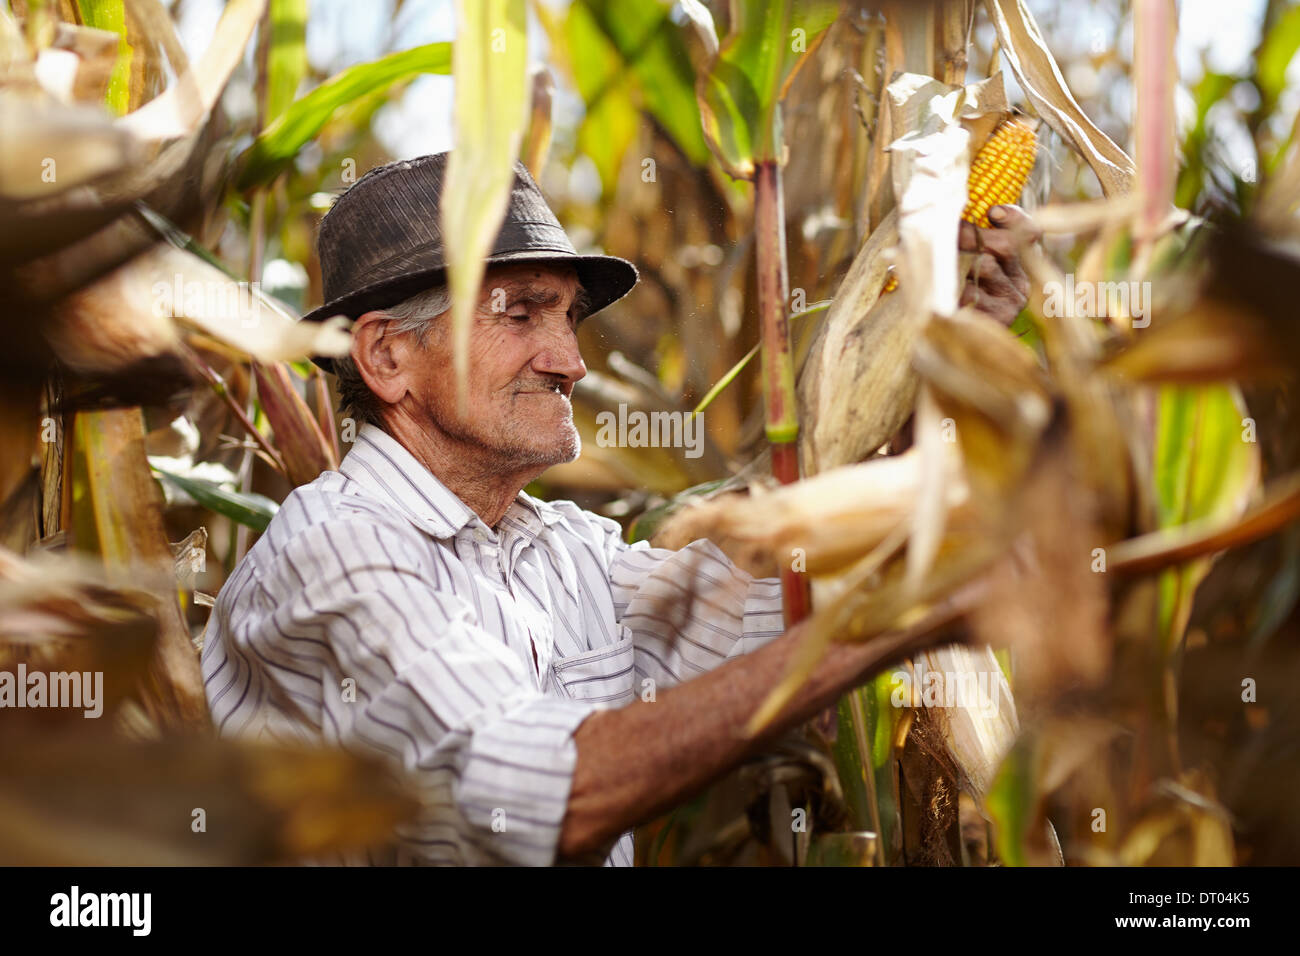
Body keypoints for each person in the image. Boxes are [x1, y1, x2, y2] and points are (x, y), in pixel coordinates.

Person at [200, 152, 1036, 866]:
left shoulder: (563, 550)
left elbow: (789, 589)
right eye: (522, 314)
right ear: (386, 356)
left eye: (568, 317)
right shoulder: (335, 551)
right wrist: (903, 624)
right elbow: (546, 800)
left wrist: (946, 359)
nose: (570, 361)